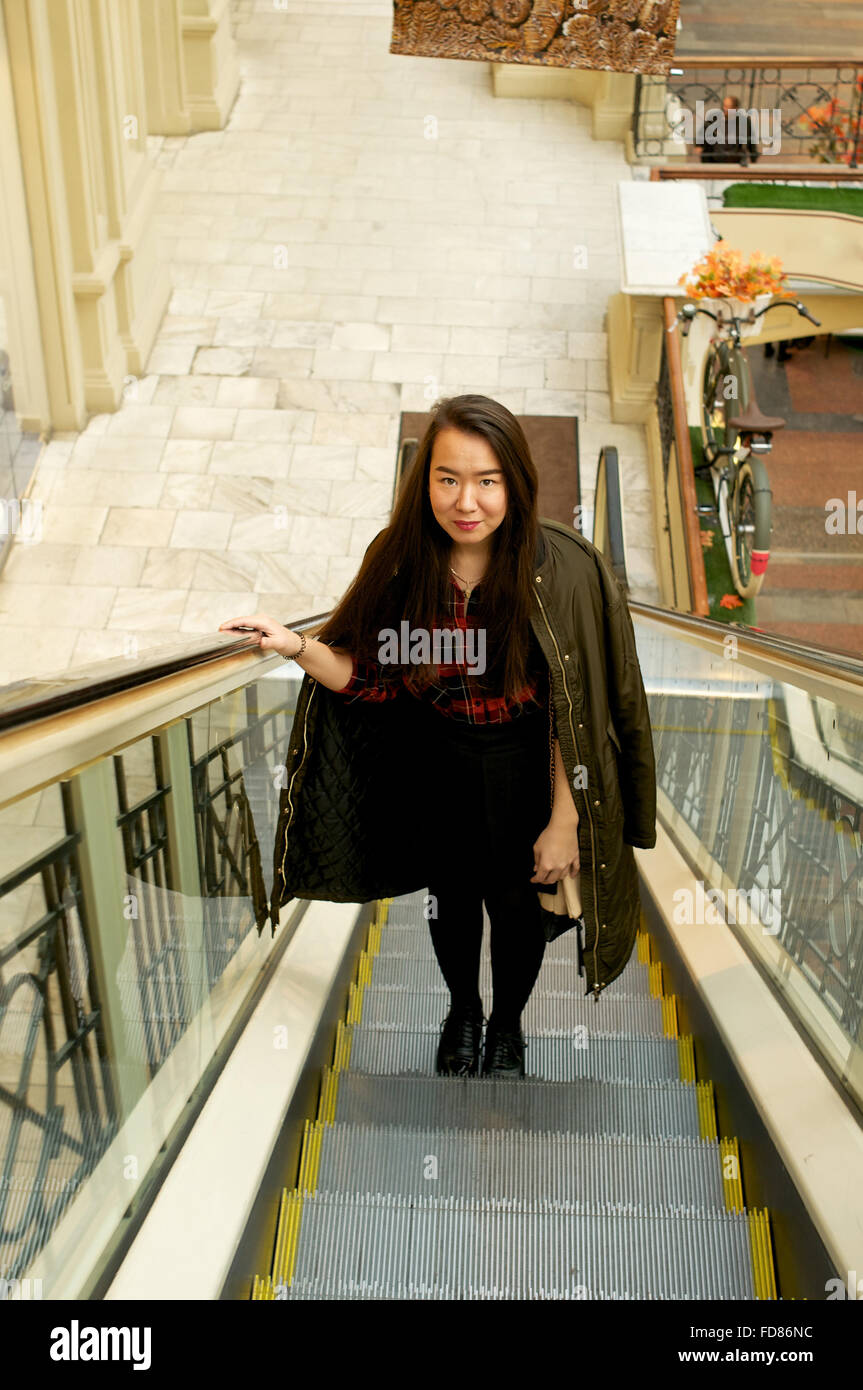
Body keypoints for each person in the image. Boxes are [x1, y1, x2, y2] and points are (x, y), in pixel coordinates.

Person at [219, 394, 657, 1080]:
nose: (467, 501)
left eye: (487, 480)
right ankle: (462, 1011)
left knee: (516, 911)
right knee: (449, 904)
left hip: (529, 769)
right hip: (436, 762)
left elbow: (578, 715)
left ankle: (507, 1025)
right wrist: (296, 644)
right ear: (424, 480)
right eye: (447, 478)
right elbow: (372, 676)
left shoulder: (563, 567)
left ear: (514, 482)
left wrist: (564, 821)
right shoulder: (401, 563)